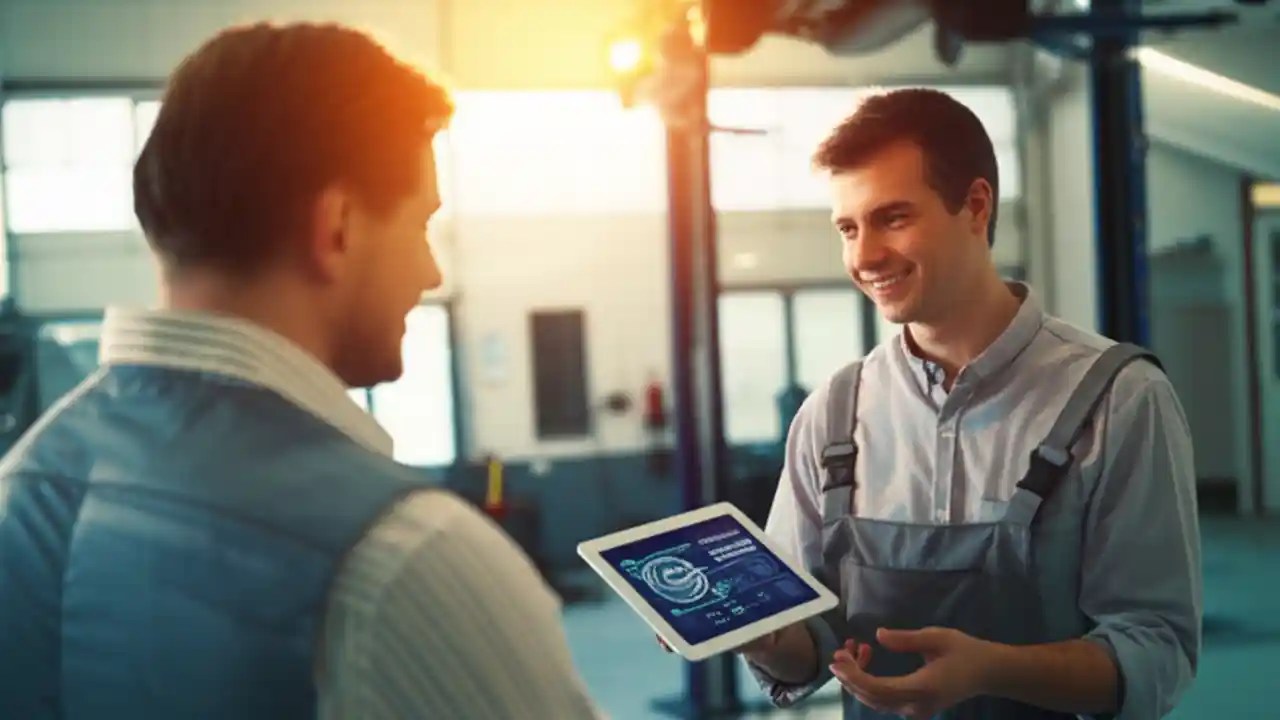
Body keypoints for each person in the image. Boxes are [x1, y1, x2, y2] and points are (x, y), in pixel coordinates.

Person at [0, 23, 602, 720]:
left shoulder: (20, 489)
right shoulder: (402, 556)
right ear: (338, 226)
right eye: (421, 224)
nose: (431, 271)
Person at [738, 88, 1202, 719]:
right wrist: (765, 638)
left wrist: (996, 670)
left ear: (976, 206)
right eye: (848, 227)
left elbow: (1157, 650)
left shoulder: (1119, 399)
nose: (865, 255)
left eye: (893, 218)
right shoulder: (832, 414)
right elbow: (811, 646)